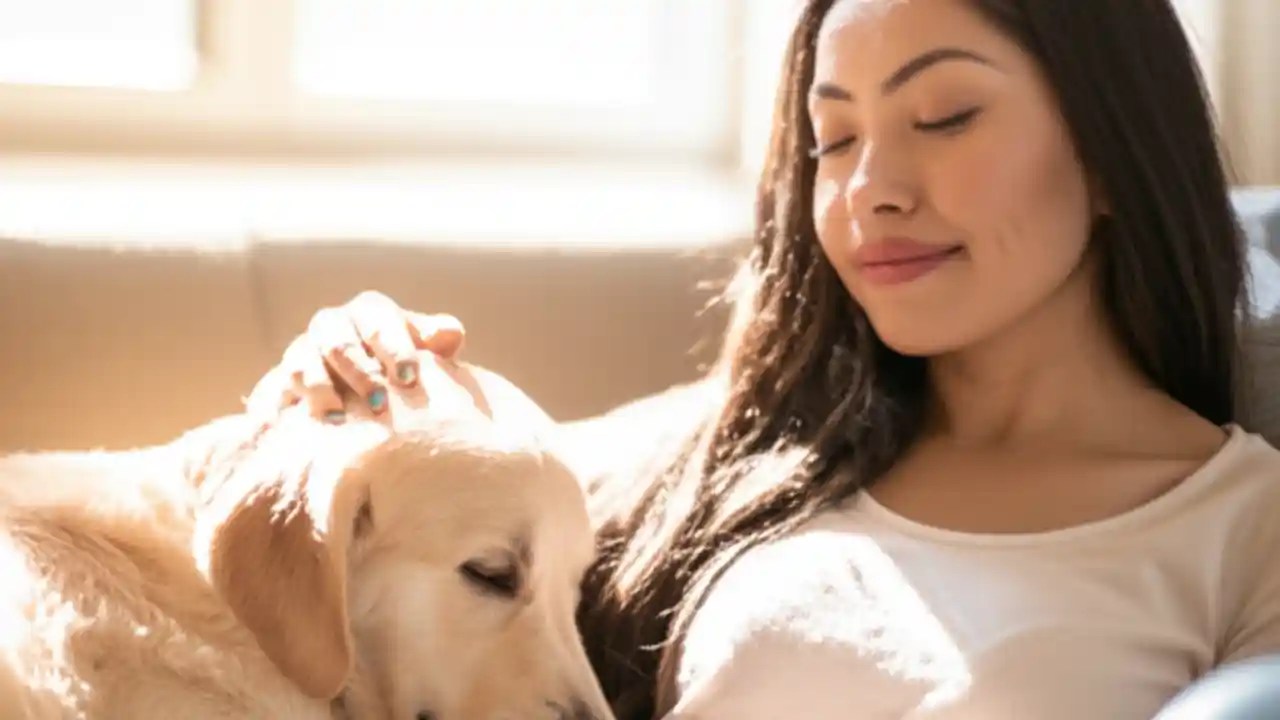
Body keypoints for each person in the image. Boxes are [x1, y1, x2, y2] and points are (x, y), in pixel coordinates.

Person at [205, 0, 1280, 717]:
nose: (868, 190)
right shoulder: (732, 449)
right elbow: (390, 516)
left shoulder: (1244, 526)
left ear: (1110, 150)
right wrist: (341, 375)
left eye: (944, 116)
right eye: (834, 139)